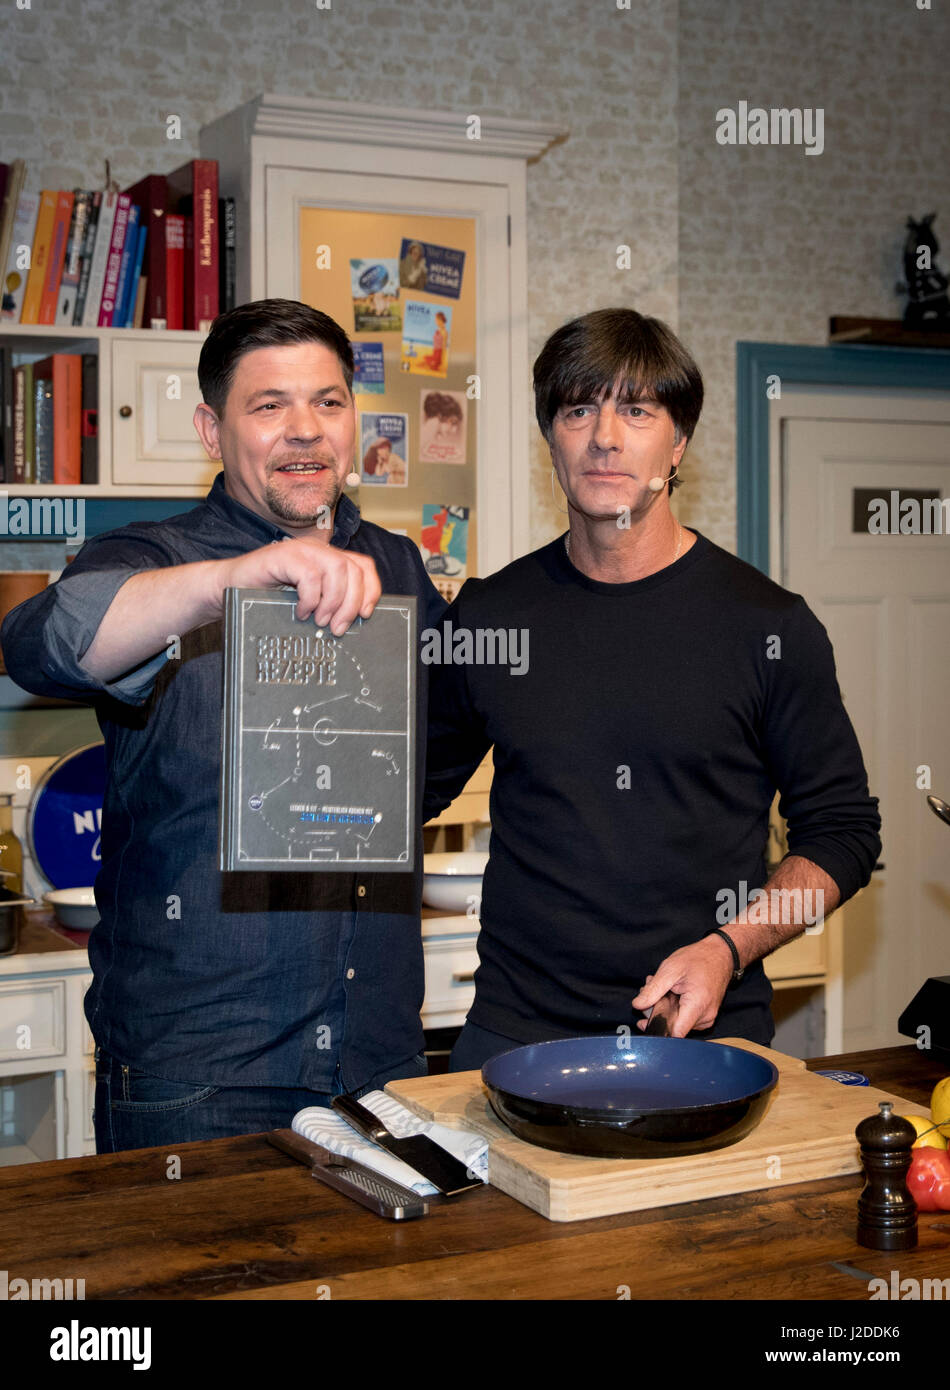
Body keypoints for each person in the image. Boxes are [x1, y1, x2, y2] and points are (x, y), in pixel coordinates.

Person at [1, 298, 446, 1149]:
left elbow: (429, 758)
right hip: (199, 1069)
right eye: (269, 405)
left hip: (376, 1058)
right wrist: (235, 578)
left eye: (327, 401)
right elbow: (42, 642)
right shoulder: (154, 558)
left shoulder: (396, 566)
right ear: (212, 430)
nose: (305, 431)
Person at [423, 307, 881, 1070]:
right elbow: (402, 796)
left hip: (704, 1034)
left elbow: (844, 837)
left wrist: (730, 948)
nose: (604, 436)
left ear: (678, 443)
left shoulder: (768, 627)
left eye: (636, 410)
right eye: (578, 410)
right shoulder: (489, 617)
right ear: (551, 439)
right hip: (514, 1036)